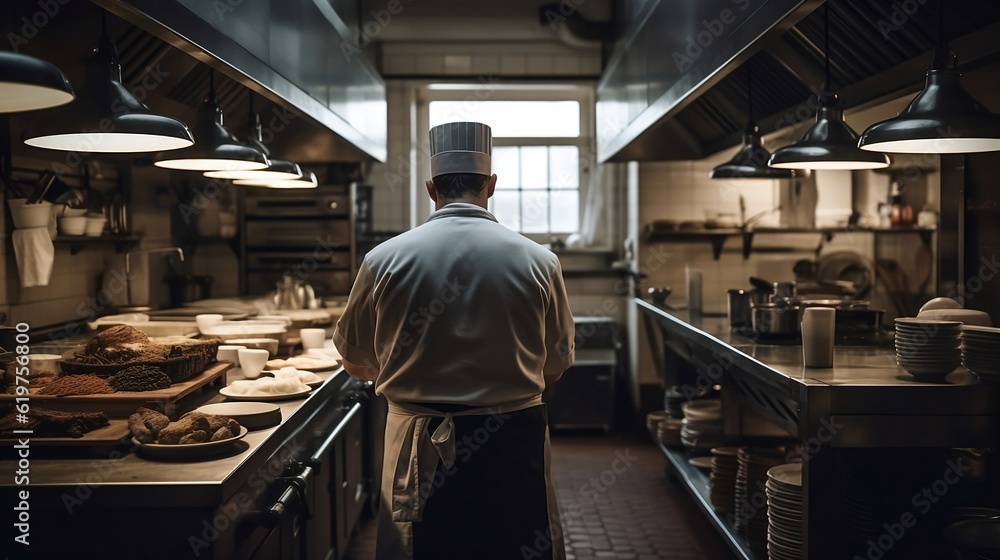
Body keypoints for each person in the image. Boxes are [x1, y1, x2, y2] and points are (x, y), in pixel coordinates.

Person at [333, 121, 575, 560]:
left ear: (431, 188)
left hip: (416, 441)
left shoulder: (382, 259)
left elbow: (355, 358)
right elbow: (555, 364)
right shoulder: (541, 261)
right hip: (513, 442)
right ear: (492, 185)